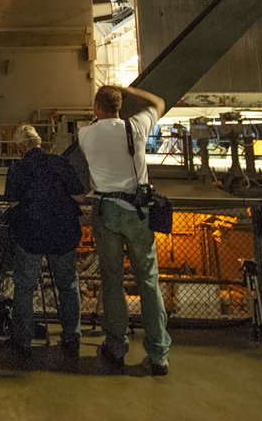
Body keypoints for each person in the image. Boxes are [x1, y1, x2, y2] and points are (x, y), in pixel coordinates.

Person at [78, 84, 171, 375]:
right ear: (119, 105)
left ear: (97, 107)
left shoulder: (86, 134)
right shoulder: (137, 126)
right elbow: (159, 101)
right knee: (148, 281)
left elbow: (94, 133)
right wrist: (128, 89)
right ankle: (158, 354)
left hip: (106, 211)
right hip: (138, 212)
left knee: (112, 280)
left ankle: (116, 346)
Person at [5, 124, 85, 359]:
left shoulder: (18, 169)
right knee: (68, 286)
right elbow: (80, 196)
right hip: (62, 233)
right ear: (39, 142)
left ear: (20, 147)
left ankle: (23, 340)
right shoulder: (60, 163)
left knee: (24, 287)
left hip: (30, 234)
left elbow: (13, 203)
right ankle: (71, 336)